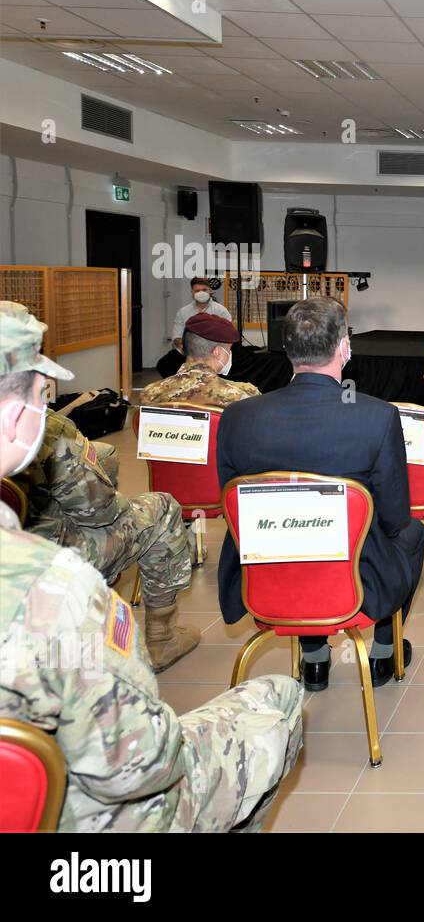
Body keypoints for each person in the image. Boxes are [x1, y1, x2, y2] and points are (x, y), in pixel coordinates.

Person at [0, 302, 302, 831]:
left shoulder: (153, 396)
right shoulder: (52, 591)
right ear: (221, 353)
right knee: (277, 704)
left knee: (164, 503)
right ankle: (159, 632)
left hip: (173, 490)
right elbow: (141, 764)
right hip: (214, 500)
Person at [218, 296, 424, 691]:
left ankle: (314, 659)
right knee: (413, 533)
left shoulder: (238, 417)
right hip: (353, 579)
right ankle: (384, 652)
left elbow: (230, 505)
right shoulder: (376, 416)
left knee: (299, 535)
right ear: (344, 347)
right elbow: (395, 517)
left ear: (287, 348)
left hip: (265, 574)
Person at [7, 312, 197, 674]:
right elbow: (101, 513)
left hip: (16, 551)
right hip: (50, 557)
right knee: (160, 507)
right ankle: (162, 637)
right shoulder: (50, 433)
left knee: (105, 456)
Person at [140, 312, 259, 409]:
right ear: (218, 352)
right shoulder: (243, 396)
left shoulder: (150, 393)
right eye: (229, 349)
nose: (230, 355)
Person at [156, 277, 232, 380]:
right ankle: (181, 387)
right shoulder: (183, 312)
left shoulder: (221, 311)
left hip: (214, 352)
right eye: (197, 290)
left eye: (204, 290)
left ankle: (218, 385)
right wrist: (188, 350)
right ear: (192, 292)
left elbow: (228, 335)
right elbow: (177, 338)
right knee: (164, 364)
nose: (201, 293)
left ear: (210, 291)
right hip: (188, 352)